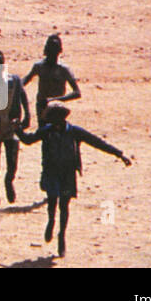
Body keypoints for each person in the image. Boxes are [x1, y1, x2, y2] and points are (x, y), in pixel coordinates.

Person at [18, 104, 131, 257]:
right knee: (52, 202)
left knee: (64, 205)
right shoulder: (47, 131)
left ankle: (61, 236)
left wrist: (119, 154)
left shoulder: (74, 132)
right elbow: (28, 140)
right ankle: (51, 221)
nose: (52, 123)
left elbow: (97, 142)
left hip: (67, 174)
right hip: (52, 172)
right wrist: (16, 129)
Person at [0, 48, 29, 209]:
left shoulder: (13, 80)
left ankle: (9, 180)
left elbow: (22, 95)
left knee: (12, 161)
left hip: (10, 124)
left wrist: (27, 115)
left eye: (0, 62)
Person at [23, 34, 80, 118]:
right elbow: (26, 80)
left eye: (54, 50)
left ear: (60, 51)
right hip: (42, 107)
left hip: (57, 108)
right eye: (50, 50)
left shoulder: (63, 69)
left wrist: (55, 100)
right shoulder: (39, 66)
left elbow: (77, 93)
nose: (52, 53)